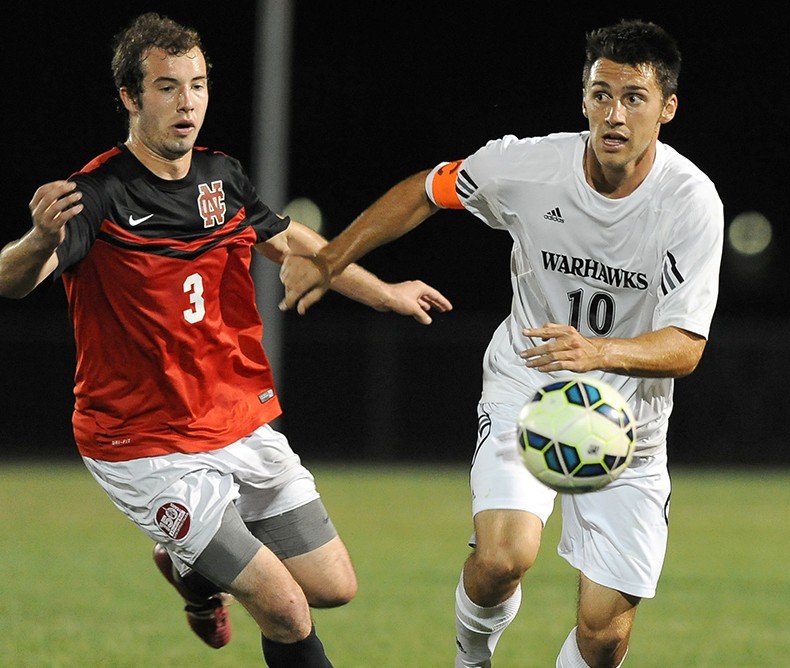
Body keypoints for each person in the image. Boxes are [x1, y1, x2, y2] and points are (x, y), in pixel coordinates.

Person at [0, 12, 452, 667]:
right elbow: (15, 280)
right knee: (285, 608)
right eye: (166, 87)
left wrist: (384, 291)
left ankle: (189, 568)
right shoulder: (97, 193)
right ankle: (197, 560)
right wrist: (40, 237)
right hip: (144, 443)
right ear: (129, 97)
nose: (188, 102)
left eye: (199, 84)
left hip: (233, 418)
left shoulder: (222, 177)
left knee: (333, 587)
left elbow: (294, 242)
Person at [279, 18, 724, 668]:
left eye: (634, 97)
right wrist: (331, 257)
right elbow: (428, 190)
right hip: (529, 387)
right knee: (500, 559)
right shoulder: (530, 167)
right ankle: (471, 658)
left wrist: (596, 353)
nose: (614, 114)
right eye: (601, 94)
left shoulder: (690, 205)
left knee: (604, 636)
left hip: (629, 424)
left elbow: (686, 347)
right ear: (583, 99)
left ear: (668, 108)